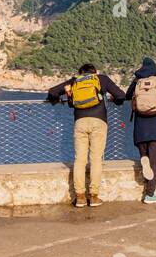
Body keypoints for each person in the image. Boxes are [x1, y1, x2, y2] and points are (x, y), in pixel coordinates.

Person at [47, 63, 126, 208]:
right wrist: (117, 101)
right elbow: (121, 95)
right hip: (99, 121)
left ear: (80, 73)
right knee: (96, 159)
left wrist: (56, 100)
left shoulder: (75, 81)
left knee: (80, 160)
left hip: (80, 123)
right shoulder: (101, 79)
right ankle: (94, 197)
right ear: (94, 72)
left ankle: (80, 197)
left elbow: (52, 91)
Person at [123, 56, 156, 204]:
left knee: (146, 158)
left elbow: (127, 96)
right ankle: (150, 194)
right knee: (154, 163)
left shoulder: (136, 81)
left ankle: (144, 164)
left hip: (140, 128)